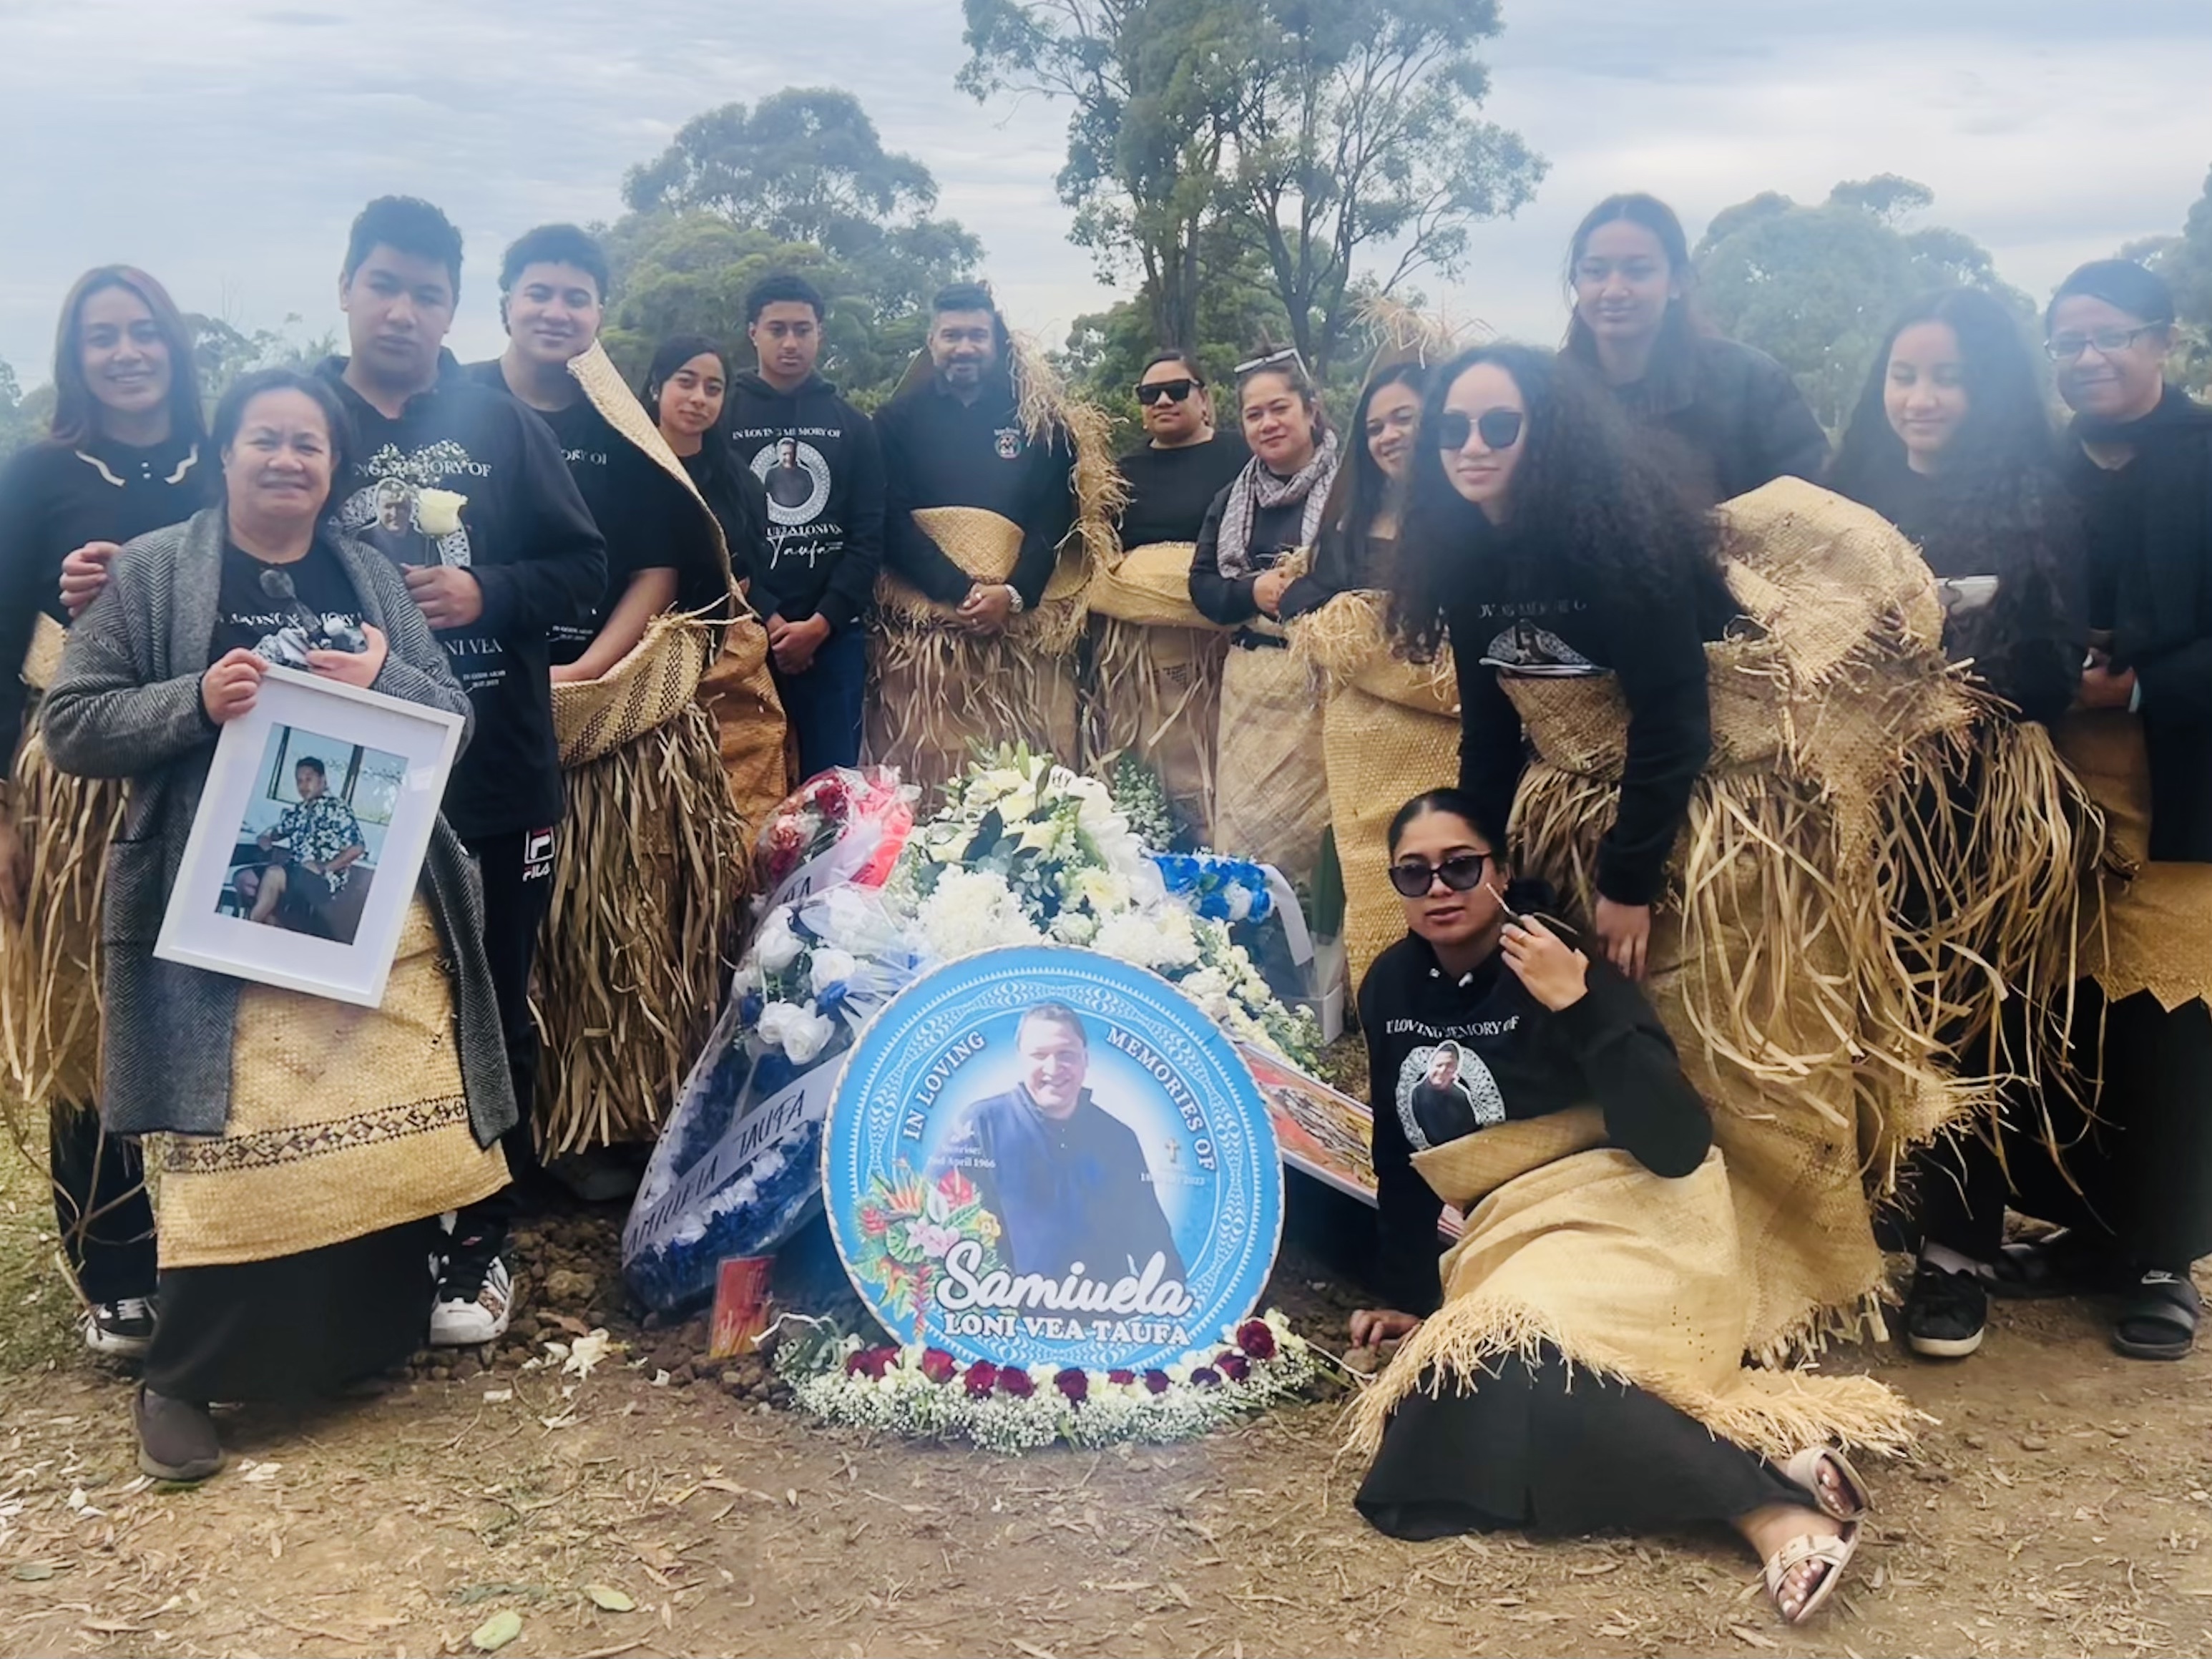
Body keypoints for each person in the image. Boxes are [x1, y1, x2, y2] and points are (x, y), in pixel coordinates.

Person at [41, 368, 514, 1483]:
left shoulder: (367, 574)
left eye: (310, 444)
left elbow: (452, 713)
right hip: (219, 915)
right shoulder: (157, 569)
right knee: (236, 1143)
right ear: (226, 451)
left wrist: (381, 675)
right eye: (267, 439)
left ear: (334, 468)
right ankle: (184, 1373)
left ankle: (347, 1343)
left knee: (377, 1124)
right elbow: (72, 722)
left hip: (364, 905)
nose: (289, 460)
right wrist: (195, 699)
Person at [1348, 790, 1904, 1625]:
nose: (1439, 888)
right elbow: (1400, 1154)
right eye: (1414, 873)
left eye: (1460, 865)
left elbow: (1675, 1141)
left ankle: (1763, 1511)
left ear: (1499, 872)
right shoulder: (1391, 983)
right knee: (1448, 1397)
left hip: (1631, 1219)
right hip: (1514, 1243)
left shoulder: (1555, 957)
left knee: (1500, 1369)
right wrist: (1409, 1301)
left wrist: (1578, 1003)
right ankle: (1771, 1467)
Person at [321, 196, 605, 1345]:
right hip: (344, 777)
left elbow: (582, 566)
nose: (402, 310)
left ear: (453, 306)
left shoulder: (498, 422)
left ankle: (478, 1240)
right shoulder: (304, 416)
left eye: (426, 293)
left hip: (496, 769)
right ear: (345, 285)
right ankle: (367, 1224)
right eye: (383, 283)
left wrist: (489, 592)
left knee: (493, 990)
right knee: (358, 999)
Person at [1828, 289, 2093, 1360]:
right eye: (1903, 375)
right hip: (1859, 800)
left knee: (1962, 1015)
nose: (1921, 398)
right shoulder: (1846, 494)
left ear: (1985, 389)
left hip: (1976, 806)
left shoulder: (2039, 499)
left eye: (1945, 377)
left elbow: (2052, 673)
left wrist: (1943, 646)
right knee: (1855, 1009)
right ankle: (1862, 1220)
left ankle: (1956, 1256)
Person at [1981, 259, 2212, 1361]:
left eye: (2109, 338)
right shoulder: (2035, 468)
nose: (2087, 360)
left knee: (2171, 1020)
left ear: (2163, 340)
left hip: (2179, 781)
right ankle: (2086, 1228)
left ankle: (2164, 1258)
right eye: (2067, 342)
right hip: (2047, 787)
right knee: (2063, 1014)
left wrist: (2144, 684)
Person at [0, 265, 214, 1359]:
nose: (126, 352)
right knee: (98, 1008)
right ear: (75, 358)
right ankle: (115, 1261)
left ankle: (219, 1241)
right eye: (102, 338)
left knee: (213, 999)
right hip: (81, 778)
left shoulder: (226, 458)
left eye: (143, 333)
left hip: (212, 760)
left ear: (174, 345)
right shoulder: (38, 473)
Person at [1391, 342, 1733, 982]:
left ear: (1548, 434)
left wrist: (1629, 883)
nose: (1472, 445)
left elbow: (1673, 718)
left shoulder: (1621, 549)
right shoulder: (1462, 559)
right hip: (1563, 804)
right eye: (1451, 428)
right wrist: (1475, 874)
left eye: (1499, 426)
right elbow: (1490, 737)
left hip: (1675, 815)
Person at [466, 223, 715, 683]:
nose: (555, 313)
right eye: (539, 294)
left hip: (579, 683)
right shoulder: (450, 399)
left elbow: (655, 571)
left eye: (576, 299)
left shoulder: (624, 428)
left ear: (599, 314)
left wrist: (584, 671)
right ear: (508, 306)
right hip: (457, 673)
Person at [871, 283, 1088, 793]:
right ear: (931, 341)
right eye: (951, 335)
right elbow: (888, 517)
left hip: (1020, 633)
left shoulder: (1039, 420)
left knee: (1026, 778)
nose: (963, 347)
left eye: (976, 335)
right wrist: (958, 590)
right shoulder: (896, 420)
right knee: (932, 776)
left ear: (996, 343)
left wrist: (1012, 595)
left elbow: (1055, 518)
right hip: (926, 638)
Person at [1562, 192, 1828, 505]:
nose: (1614, 290)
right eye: (1596, 272)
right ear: (1577, 282)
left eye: (1638, 271)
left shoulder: (1751, 384)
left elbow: (1818, 507)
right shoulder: (1547, 395)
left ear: (1678, 282)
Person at [1188, 351, 1341, 882]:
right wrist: (1253, 590)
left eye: (1280, 408)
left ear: (1311, 409)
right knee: (1246, 837)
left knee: (1318, 840)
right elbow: (1204, 585)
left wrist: (1297, 594)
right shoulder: (1232, 498)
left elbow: (1366, 572)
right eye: (1254, 414)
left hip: (1324, 685)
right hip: (1250, 690)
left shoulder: (1351, 489)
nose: (1268, 423)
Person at [724, 274, 886, 778]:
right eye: (777, 329)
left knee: (831, 787)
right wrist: (769, 618)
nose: (790, 342)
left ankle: (829, 863)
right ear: (753, 332)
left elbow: (868, 534)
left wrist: (822, 624)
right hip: (742, 633)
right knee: (743, 784)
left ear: (820, 333)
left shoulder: (855, 426)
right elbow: (715, 532)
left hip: (832, 638)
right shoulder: (721, 419)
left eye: (802, 329)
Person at [927, 1002, 1185, 1283]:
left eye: (1066, 1054)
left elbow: (1151, 1241)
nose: (1053, 1068)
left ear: (1085, 1059)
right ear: (1022, 1060)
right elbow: (932, 1218)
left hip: (1103, 1319)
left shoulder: (1119, 1138)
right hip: (1003, 1317)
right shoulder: (977, 1125)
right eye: (1039, 1055)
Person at [1279, 361, 1426, 620]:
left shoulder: (1477, 517)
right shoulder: (1349, 524)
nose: (1388, 436)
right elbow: (1301, 600)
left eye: (1404, 418)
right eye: (1375, 429)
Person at [1115, 351, 1249, 550]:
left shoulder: (1244, 454)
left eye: (1177, 390)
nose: (1163, 401)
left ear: (1203, 398)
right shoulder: (1120, 475)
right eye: (1149, 394)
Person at [248, 756, 371, 939]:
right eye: (299, 781)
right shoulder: (300, 810)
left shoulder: (338, 808)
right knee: (243, 879)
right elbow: (276, 832)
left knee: (274, 874)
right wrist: (265, 837)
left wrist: (325, 867)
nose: (303, 785)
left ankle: (246, 932)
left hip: (322, 882)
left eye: (308, 779)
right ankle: (275, 928)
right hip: (295, 873)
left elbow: (357, 847)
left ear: (323, 780)